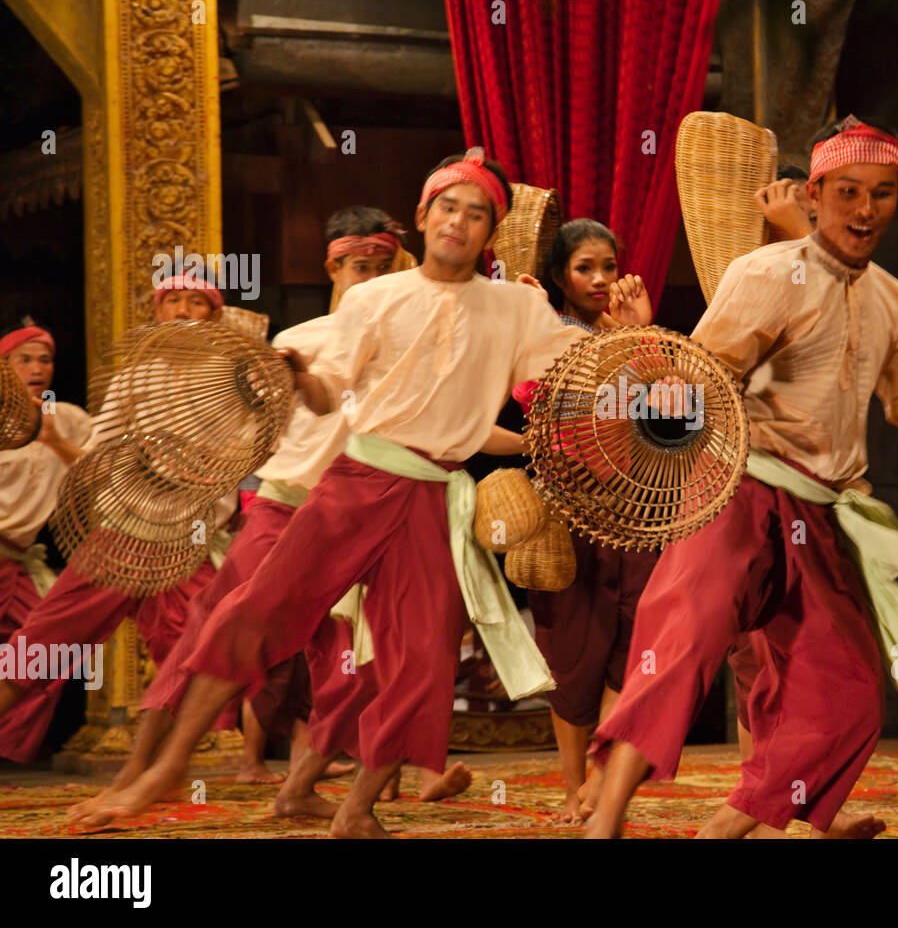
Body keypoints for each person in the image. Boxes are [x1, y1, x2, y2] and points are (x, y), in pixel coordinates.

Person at [76, 150, 589, 837]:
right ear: (424, 215)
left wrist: (630, 346)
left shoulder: (515, 306)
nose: (459, 223)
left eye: (476, 214)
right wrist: (297, 374)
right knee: (253, 615)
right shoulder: (377, 300)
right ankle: (164, 771)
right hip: (357, 481)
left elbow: (574, 370)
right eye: (448, 208)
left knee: (423, 658)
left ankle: (356, 810)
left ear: (489, 232)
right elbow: (328, 393)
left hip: (432, 495)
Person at [585, 116, 898, 839]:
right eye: (849, 192)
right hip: (740, 491)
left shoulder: (897, 303)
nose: (866, 209)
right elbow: (700, 380)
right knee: (680, 645)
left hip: (822, 514)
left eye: (883, 194)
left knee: (853, 693)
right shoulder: (765, 274)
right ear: (815, 193)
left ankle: (728, 829)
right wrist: (644, 366)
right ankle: (604, 822)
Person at [0, 278, 231, 762]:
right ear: (158, 312)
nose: (185, 311)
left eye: (197, 303)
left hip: (183, 538)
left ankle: (163, 768)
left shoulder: (228, 381)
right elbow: (97, 454)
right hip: (124, 531)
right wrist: (138, 461)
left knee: (202, 646)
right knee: (45, 641)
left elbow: (239, 456)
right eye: (174, 301)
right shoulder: (136, 376)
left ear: (214, 315)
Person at [518, 218, 657, 821]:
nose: (600, 280)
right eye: (584, 269)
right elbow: (533, 402)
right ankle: (574, 782)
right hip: (568, 512)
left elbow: (670, 415)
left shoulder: (632, 329)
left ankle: (603, 780)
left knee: (634, 641)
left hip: (635, 510)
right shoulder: (547, 336)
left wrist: (641, 337)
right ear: (559, 277)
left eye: (608, 266)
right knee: (572, 647)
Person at [0, 321, 92, 647]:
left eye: (45, 359)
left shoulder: (69, 419)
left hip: (18, 559)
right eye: (24, 359)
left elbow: (101, 475)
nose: (37, 369)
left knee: (45, 652)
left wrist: (56, 442)